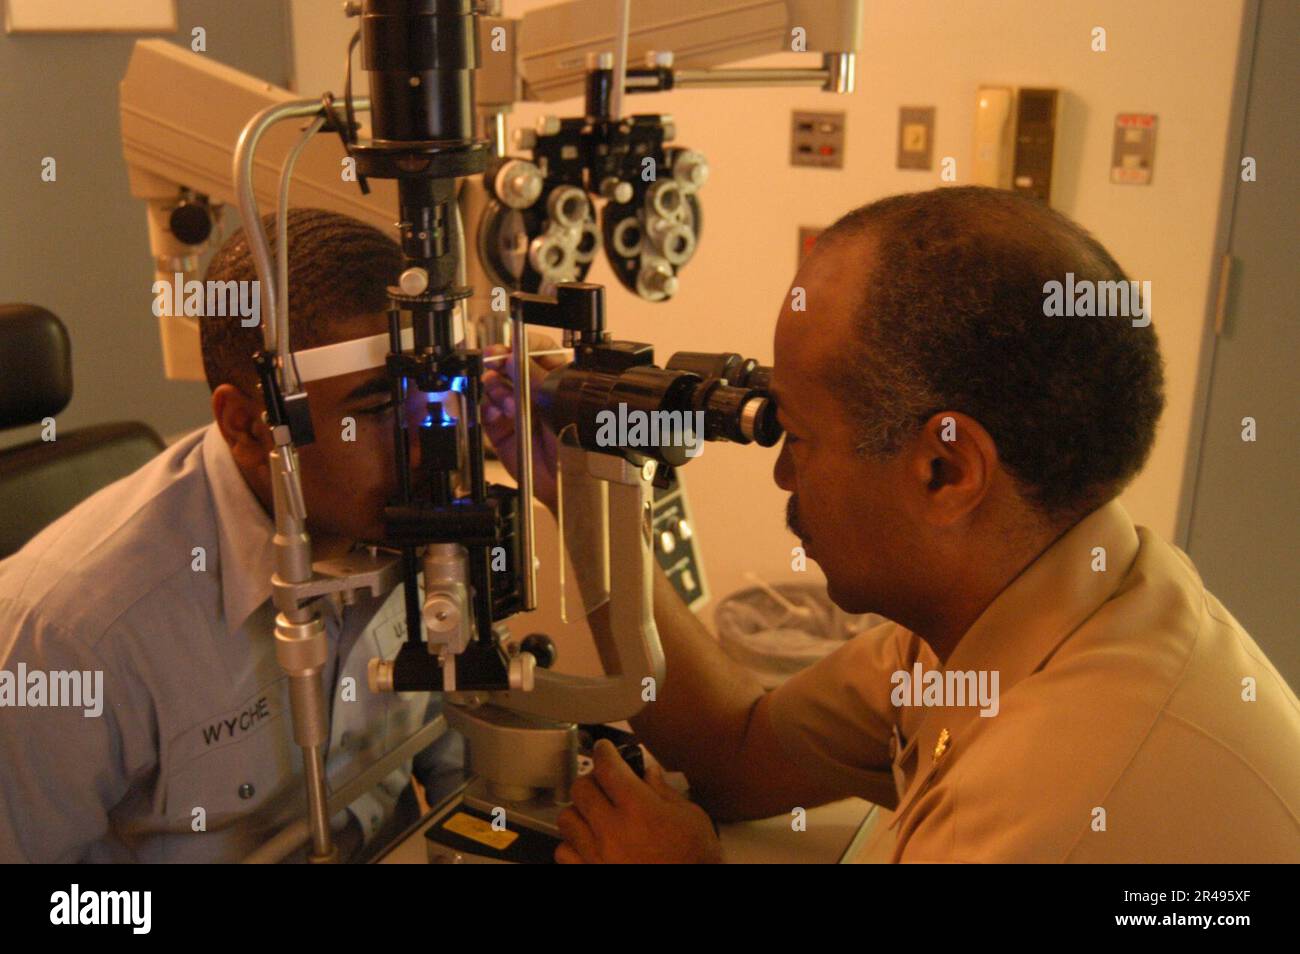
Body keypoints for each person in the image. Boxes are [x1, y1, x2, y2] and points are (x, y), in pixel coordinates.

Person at [479, 186, 1300, 863]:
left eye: (799, 437)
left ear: (945, 470)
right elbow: (736, 750)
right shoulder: (1008, 609)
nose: (781, 473)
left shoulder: (1059, 796)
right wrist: (580, 492)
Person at [0, 208, 461, 862]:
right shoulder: (70, 636)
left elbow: (457, 762)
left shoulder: (411, 521)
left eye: (430, 395)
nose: (426, 445)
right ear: (246, 427)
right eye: (379, 409)